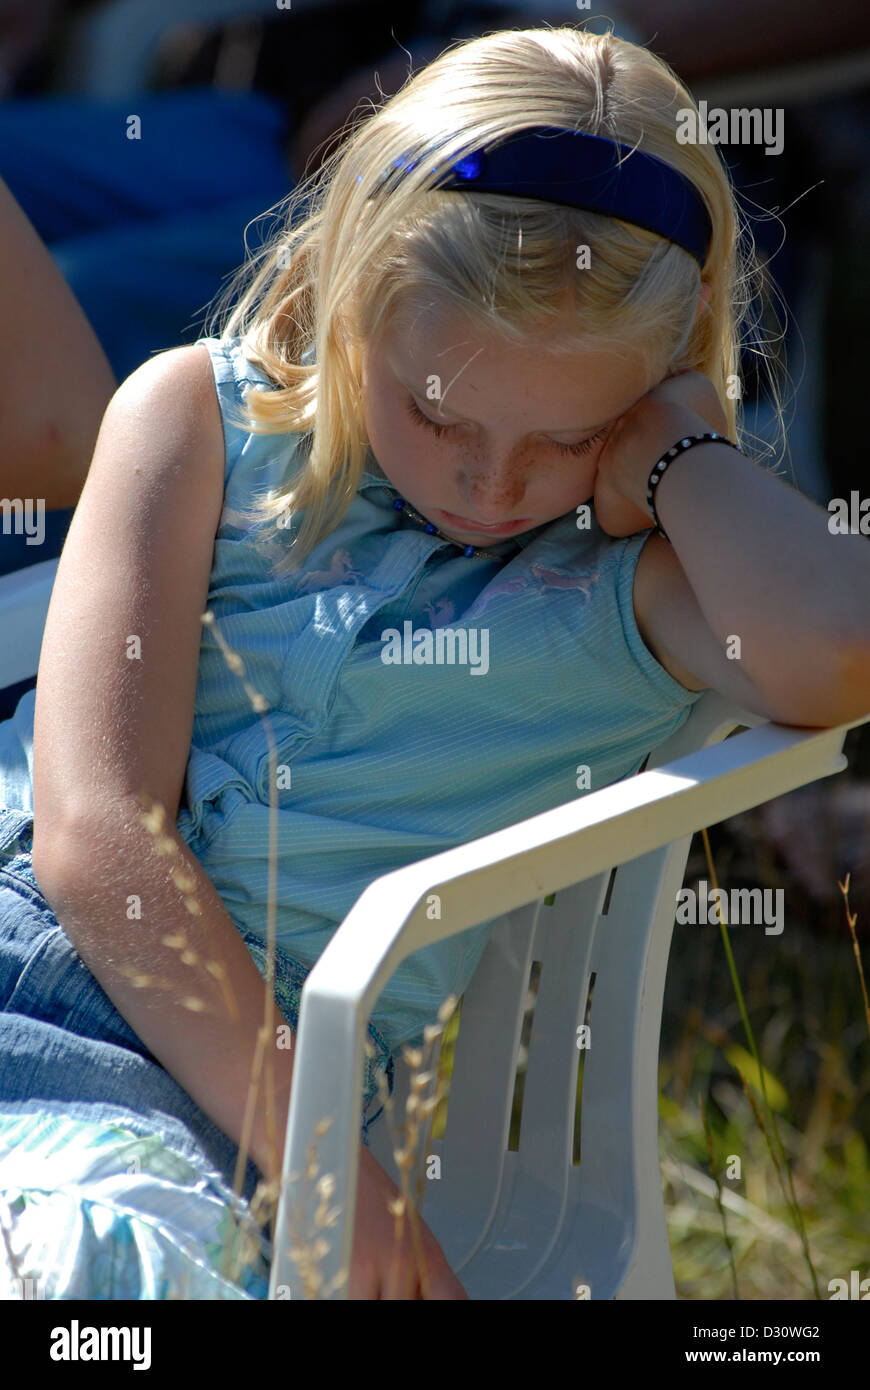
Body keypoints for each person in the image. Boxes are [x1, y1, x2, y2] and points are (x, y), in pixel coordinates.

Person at [2, 23, 869, 1302]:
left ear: (659, 374)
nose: (489, 483)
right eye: (435, 412)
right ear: (352, 297)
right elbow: (94, 834)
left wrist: (689, 454)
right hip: (48, 967)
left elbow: (842, 647)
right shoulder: (198, 418)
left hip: (221, 1115)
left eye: (567, 437)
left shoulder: (627, 588)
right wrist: (330, 1173)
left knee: (93, 1268)